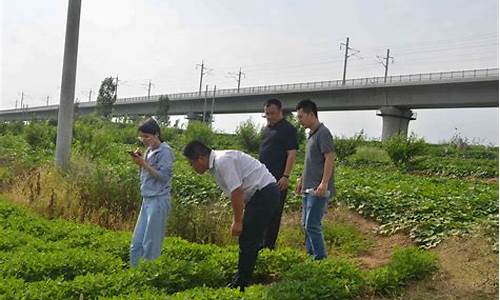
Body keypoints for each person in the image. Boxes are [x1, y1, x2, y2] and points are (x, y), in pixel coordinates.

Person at [183, 140, 280, 291]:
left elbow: (237, 191)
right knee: (250, 238)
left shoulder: (222, 161)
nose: (192, 167)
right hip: (261, 194)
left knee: (248, 238)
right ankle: (243, 279)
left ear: (200, 159)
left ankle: (241, 285)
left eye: (191, 163)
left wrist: (238, 221)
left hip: (264, 193)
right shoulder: (218, 163)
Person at [129, 117, 175, 267]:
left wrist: (144, 164)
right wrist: (141, 162)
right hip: (147, 199)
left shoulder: (165, 152)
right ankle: (134, 274)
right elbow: (148, 174)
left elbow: (164, 177)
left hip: (158, 200)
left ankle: (148, 279)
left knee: (151, 245)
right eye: (141, 137)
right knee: (136, 243)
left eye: (147, 137)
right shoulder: (149, 150)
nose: (144, 140)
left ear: (156, 134)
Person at [294, 99, 335, 260]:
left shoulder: (323, 133)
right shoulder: (311, 135)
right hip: (308, 187)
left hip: (318, 189)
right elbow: (311, 161)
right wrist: (301, 179)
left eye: (301, 117)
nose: (299, 121)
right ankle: (312, 257)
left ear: (311, 114)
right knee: (306, 224)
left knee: (312, 225)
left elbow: (330, 158)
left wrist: (324, 183)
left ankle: (320, 259)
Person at [259, 98, 298, 250]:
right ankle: (260, 244)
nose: (269, 116)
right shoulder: (266, 129)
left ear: (280, 111)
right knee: (262, 212)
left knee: (274, 214)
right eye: (267, 114)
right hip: (262, 178)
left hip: (278, 179)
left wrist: (286, 176)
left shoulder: (288, 129)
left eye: (273, 113)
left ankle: (269, 246)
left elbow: (292, 154)